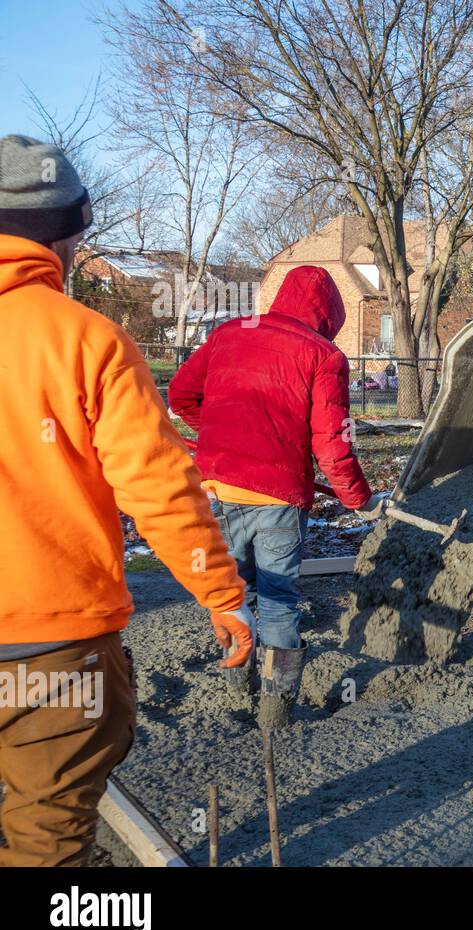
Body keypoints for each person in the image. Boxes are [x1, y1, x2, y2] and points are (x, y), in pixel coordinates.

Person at [0, 135, 251, 866]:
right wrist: (221, 593)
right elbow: (159, 486)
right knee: (47, 841)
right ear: (72, 232)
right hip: (54, 650)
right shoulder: (88, 342)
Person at [169, 265, 384, 728]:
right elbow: (332, 443)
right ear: (329, 315)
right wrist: (358, 498)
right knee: (279, 600)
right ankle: (276, 709)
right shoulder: (323, 355)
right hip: (278, 499)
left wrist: (227, 441)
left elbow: (181, 394)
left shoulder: (231, 333)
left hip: (217, 487)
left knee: (233, 592)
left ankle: (236, 685)